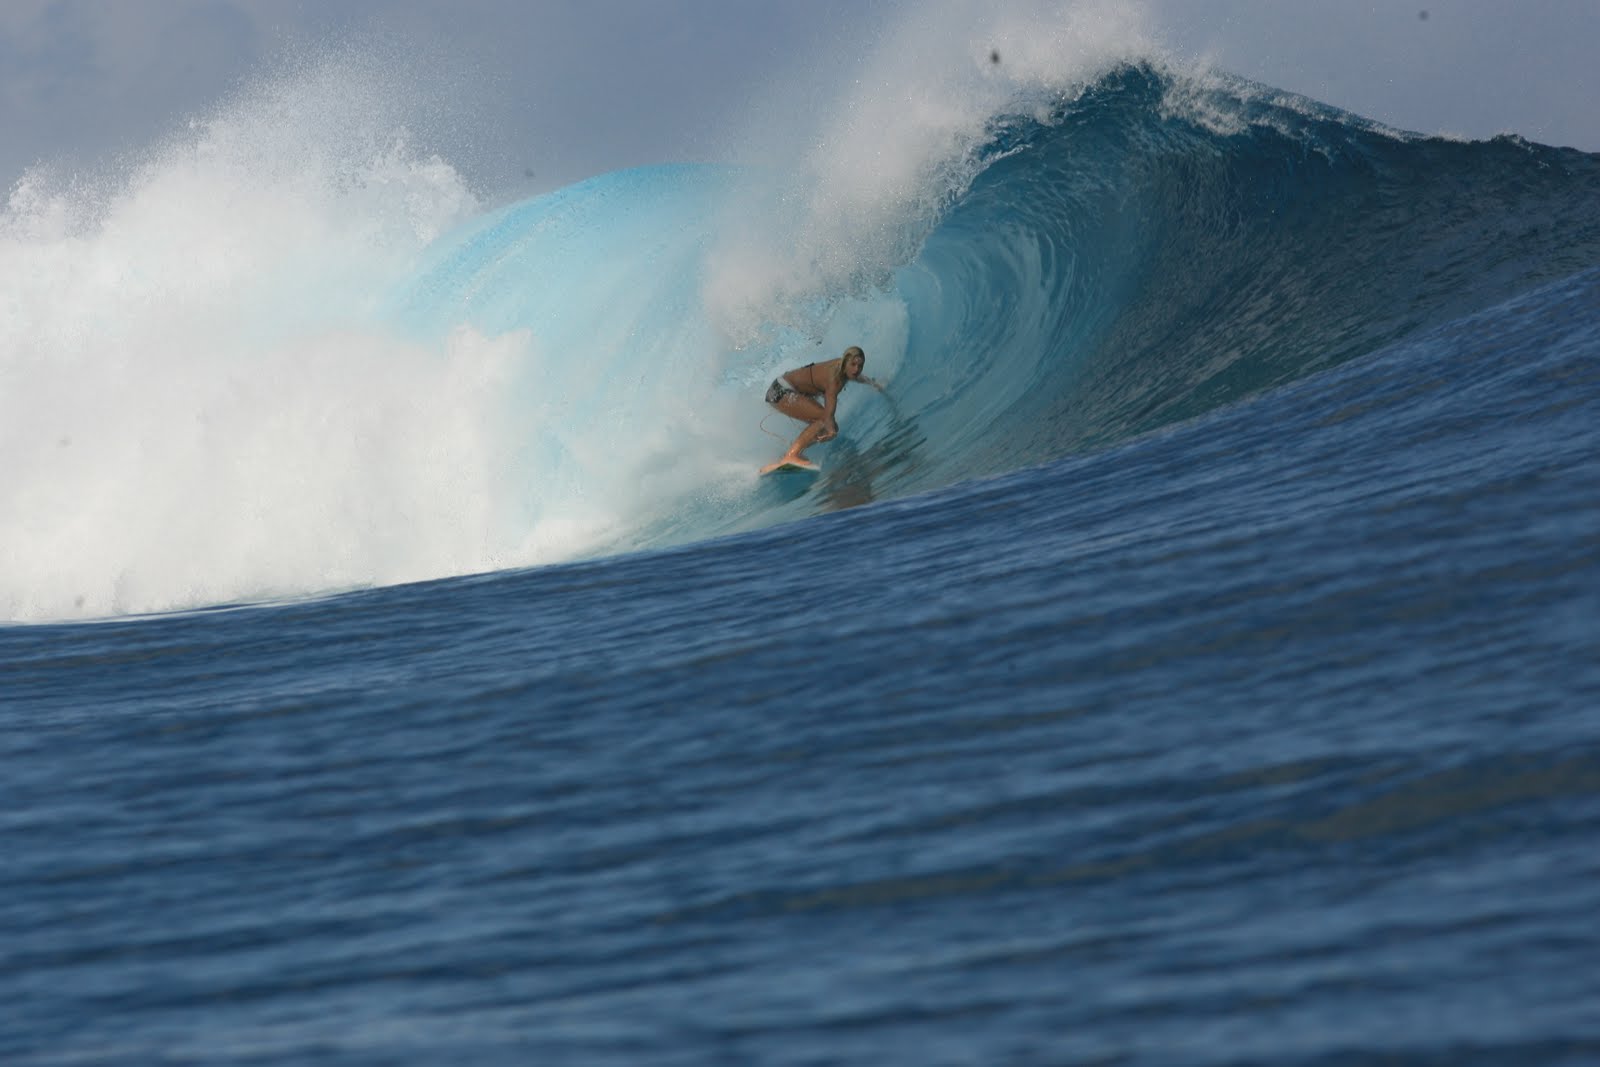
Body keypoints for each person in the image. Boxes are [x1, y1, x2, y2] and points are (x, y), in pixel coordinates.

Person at [761, 345, 883, 472]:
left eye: (860, 366)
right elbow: (827, 416)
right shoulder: (834, 379)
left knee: (829, 427)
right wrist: (831, 432)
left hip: (783, 390)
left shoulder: (843, 367)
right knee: (824, 421)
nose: (856, 369)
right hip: (780, 391)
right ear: (845, 362)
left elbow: (857, 376)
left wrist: (874, 383)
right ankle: (791, 455)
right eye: (853, 364)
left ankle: (790, 453)